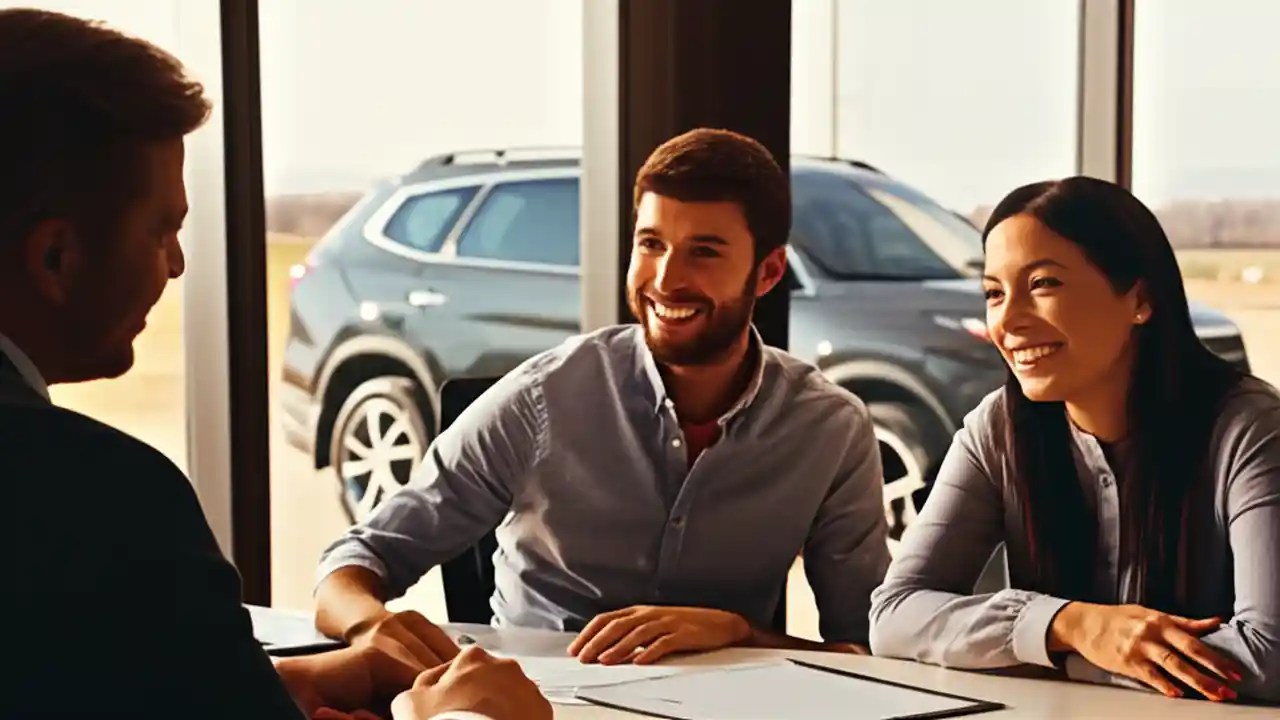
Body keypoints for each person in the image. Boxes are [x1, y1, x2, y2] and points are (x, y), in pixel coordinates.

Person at [0, 9, 545, 719]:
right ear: (56, 258)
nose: (176, 264)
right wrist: (464, 717)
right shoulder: (101, 503)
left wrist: (294, 686)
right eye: (161, 229)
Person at [315, 128, 891, 667]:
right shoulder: (544, 397)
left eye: (704, 251)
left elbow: (863, 650)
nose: (666, 279)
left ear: (767, 273)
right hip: (543, 703)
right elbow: (353, 565)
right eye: (651, 244)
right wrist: (370, 628)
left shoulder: (831, 430)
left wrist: (739, 633)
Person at [867, 176, 1280, 704]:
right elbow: (895, 616)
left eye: (1043, 284)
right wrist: (1070, 625)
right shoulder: (997, 427)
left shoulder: (1247, 430)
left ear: (1140, 298)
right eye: (994, 293)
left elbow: (1265, 658)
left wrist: (1066, 655)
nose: (1008, 320)